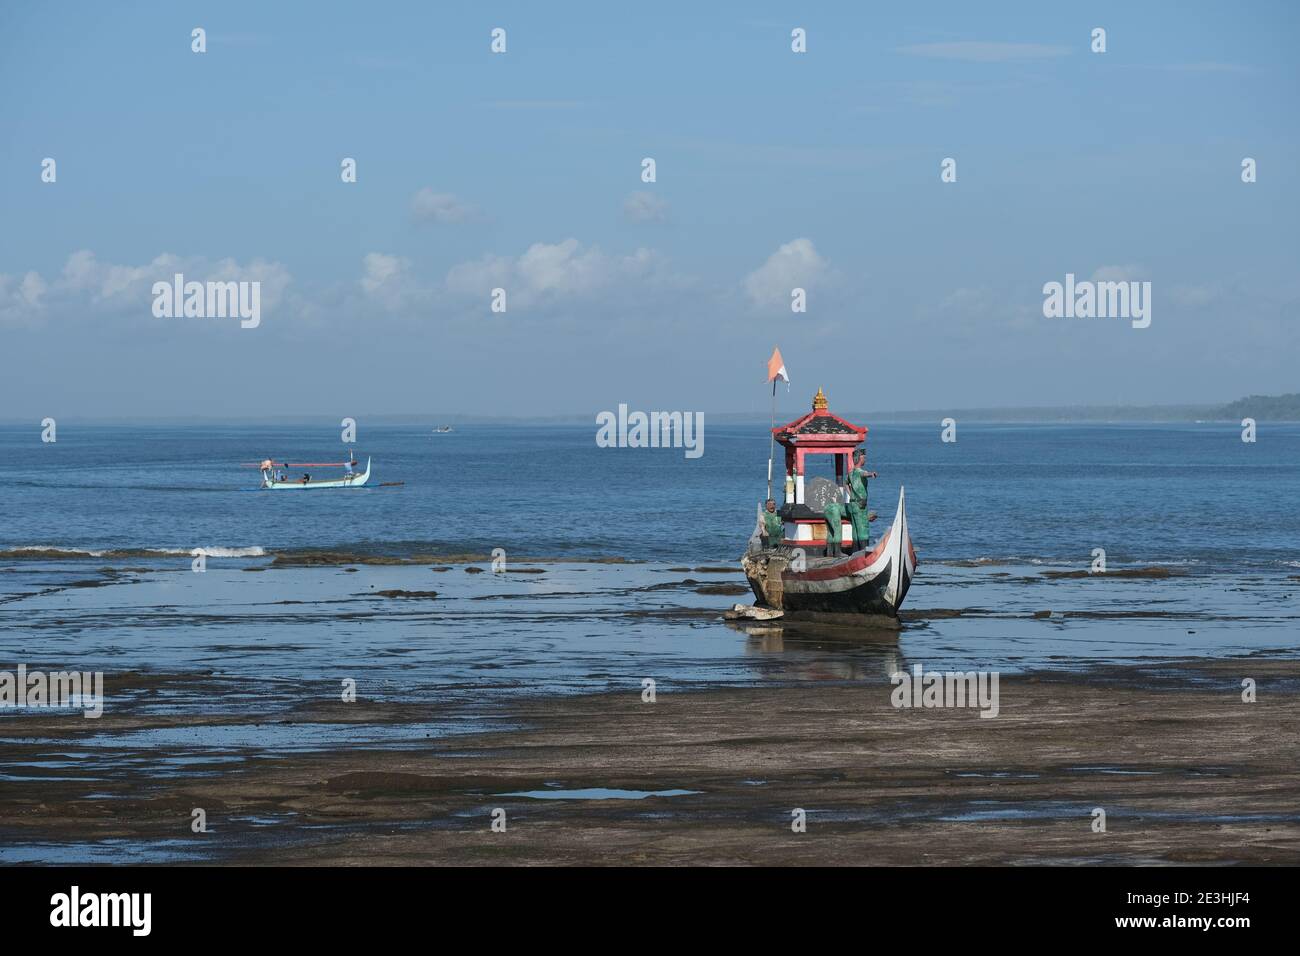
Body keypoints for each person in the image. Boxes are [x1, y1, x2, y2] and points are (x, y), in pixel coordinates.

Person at [846, 449, 878, 551]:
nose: (865, 459)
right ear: (859, 459)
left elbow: (845, 483)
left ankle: (855, 550)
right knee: (863, 527)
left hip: (853, 503)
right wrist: (871, 474)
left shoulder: (851, 473)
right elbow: (865, 474)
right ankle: (863, 551)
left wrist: (851, 494)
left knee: (855, 528)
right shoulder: (860, 471)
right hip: (860, 504)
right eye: (864, 457)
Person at [823, 489, 845, 558]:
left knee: (830, 531)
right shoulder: (837, 505)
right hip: (834, 508)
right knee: (837, 530)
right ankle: (838, 552)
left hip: (826, 509)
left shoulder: (826, 505)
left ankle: (829, 552)